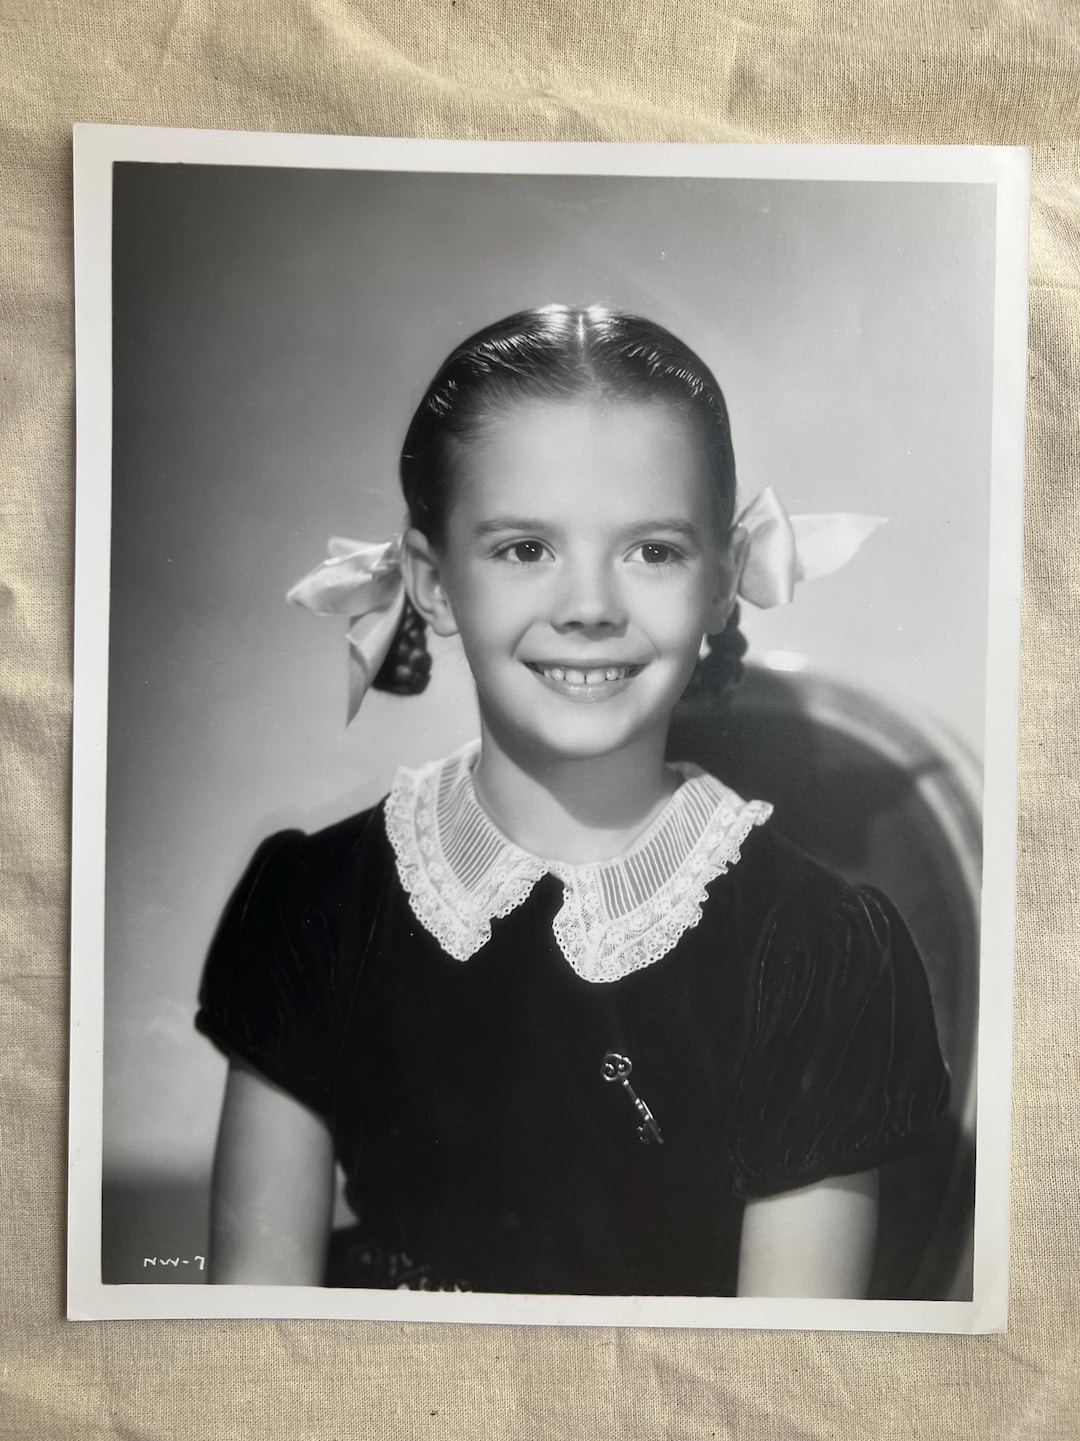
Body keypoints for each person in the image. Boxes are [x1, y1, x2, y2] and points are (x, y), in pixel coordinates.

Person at [196, 305, 949, 1298]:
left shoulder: (810, 954)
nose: (589, 605)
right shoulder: (316, 906)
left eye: (652, 550)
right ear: (430, 581)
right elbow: (251, 1339)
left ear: (723, 579)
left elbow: (789, 1381)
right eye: (523, 549)